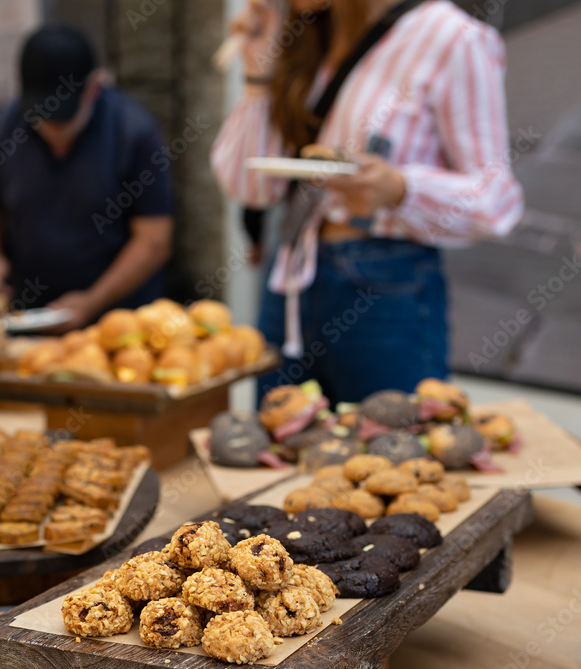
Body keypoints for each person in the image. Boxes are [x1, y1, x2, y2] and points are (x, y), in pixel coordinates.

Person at [210, 0, 524, 405]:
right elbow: (249, 185)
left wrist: (400, 188)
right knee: (275, 452)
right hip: (290, 275)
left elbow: (497, 201)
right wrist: (259, 71)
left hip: (383, 283)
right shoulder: (308, 34)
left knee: (388, 454)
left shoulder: (450, 37)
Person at [0, 25, 174, 331]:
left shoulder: (134, 133)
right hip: (26, 319)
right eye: (42, 118)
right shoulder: (4, 127)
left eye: (64, 119)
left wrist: (93, 300)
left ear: (94, 87)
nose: (53, 132)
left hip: (117, 324)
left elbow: (154, 240)